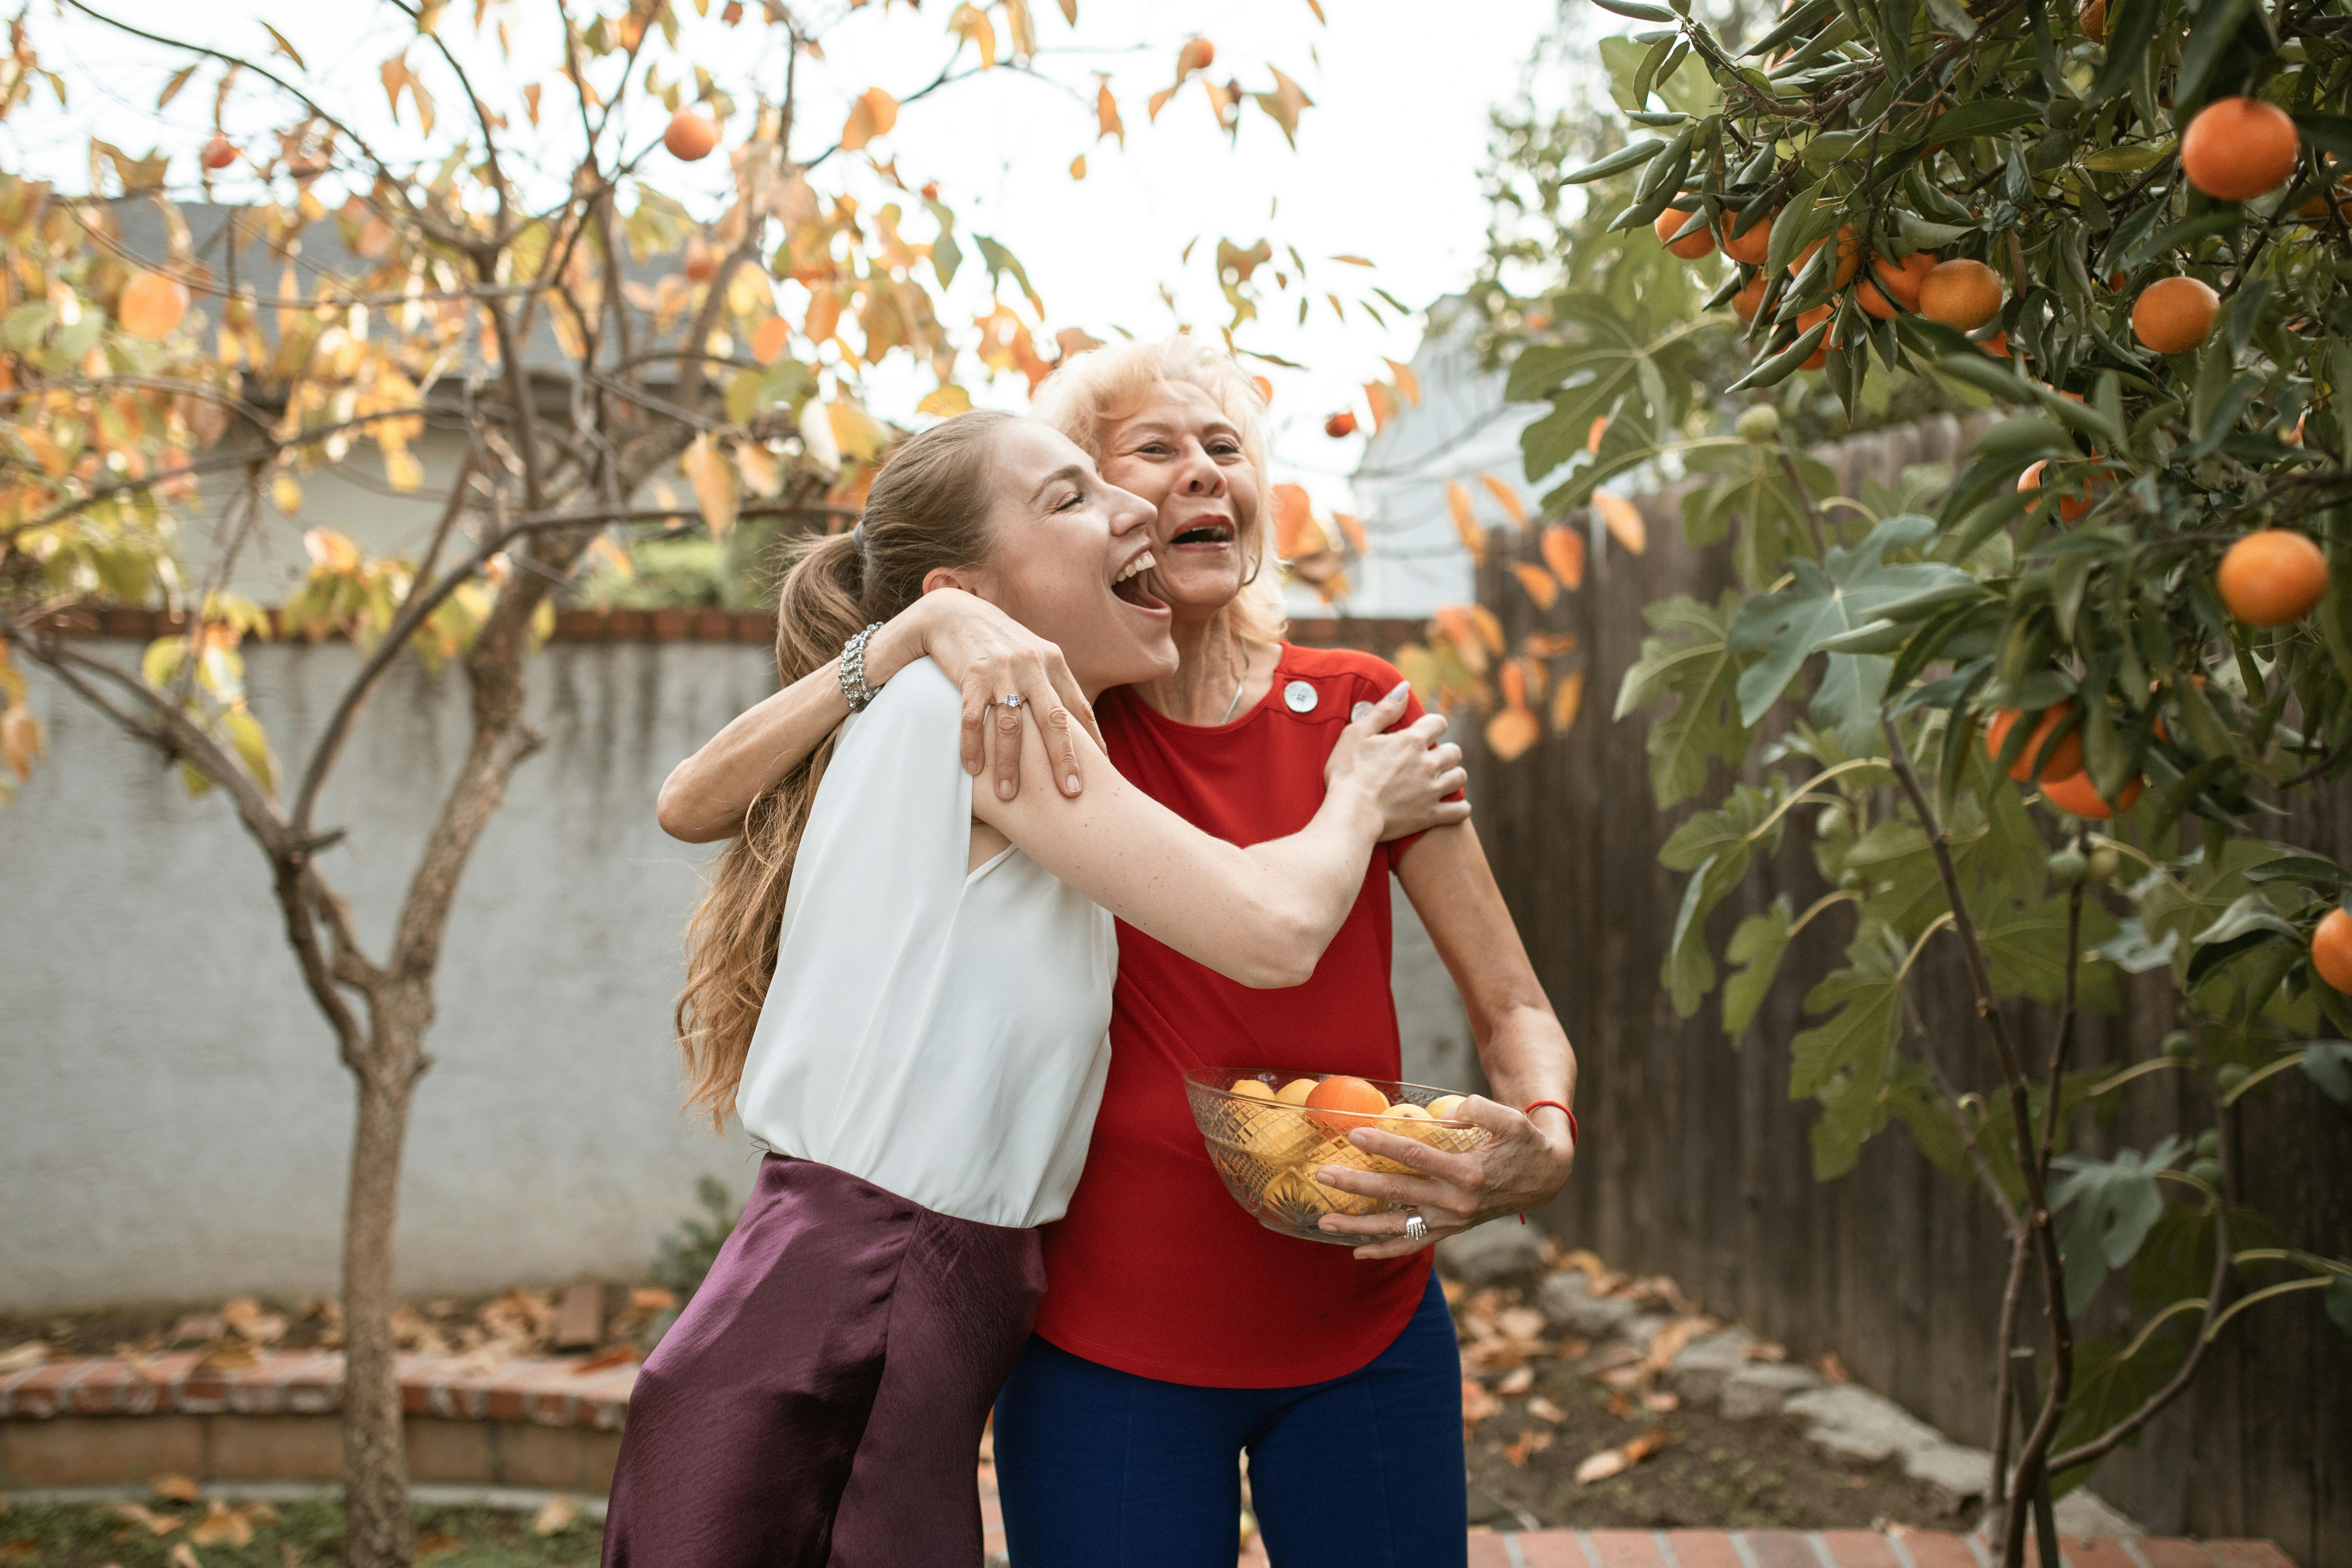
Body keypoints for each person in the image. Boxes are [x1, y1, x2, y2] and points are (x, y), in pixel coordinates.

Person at [657, 337, 1578, 1568]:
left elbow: (1514, 999)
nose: (1190, 478)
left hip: (1359, 1320)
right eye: (1143, 458)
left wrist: (1546, 1141)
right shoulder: (1032, 719)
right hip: (1094, 1340)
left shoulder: (1357, 709)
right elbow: (1271, 930)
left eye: (1225, 449)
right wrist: (929, 629)